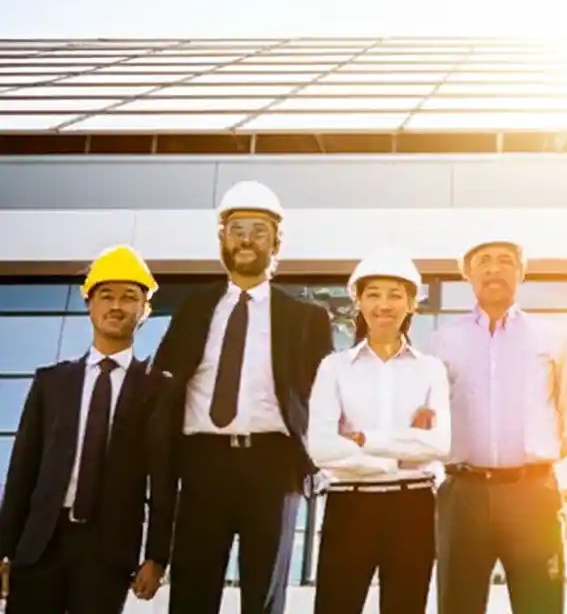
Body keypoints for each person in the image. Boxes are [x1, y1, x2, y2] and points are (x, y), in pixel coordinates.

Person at [150, 180, 334, 614]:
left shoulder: (307, 318)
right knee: (192, 595)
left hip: (273, 467)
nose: (247, 239)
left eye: (259, 230)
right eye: (237, 230)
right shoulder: (194, 309)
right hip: (201, 466)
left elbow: (328, 397)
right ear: (222, 240)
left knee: (264, 598)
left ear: (277, 242)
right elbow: (163, 386)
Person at [0, 245, 173, 613]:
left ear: (145, 310)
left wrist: (157, 556)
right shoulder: (51, 382)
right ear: (89, 305)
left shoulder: (159, 388)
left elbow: (163, 479)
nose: (116, 306)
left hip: (107, 550)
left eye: (129, 297)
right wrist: (4, 548)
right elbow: (22, 472)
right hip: (39, 545)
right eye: (106, 296)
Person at [425, 237, 567, 614]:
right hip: (463, 496)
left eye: (505, 260)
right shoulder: (441, 342)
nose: (494, 269)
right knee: (458, 604)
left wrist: (538, 464)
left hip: (533, 495)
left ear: (521, 272)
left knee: (540, 606)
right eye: (483, 260)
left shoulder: (554, 339)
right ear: (468, 273)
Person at [307, 247, 451, 614]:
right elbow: (322, 448)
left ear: (411, 305)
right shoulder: (334, 367)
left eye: (394, 295)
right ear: (358, 301)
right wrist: (400, 452)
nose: (383, 305)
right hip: (349, 506)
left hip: (414, 506)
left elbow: (438, 444)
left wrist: (364, 440)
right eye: (373, 294)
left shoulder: (430, 369)